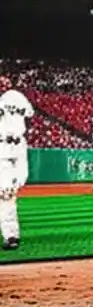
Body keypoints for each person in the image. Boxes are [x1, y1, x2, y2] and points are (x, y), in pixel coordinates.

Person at [1, 81, 34, 251]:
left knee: (16, 186)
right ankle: (11, 235)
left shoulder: (17, 97)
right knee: (6, 194)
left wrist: (19, 130)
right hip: (2, 149)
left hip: (19, 148)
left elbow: (29, 117)